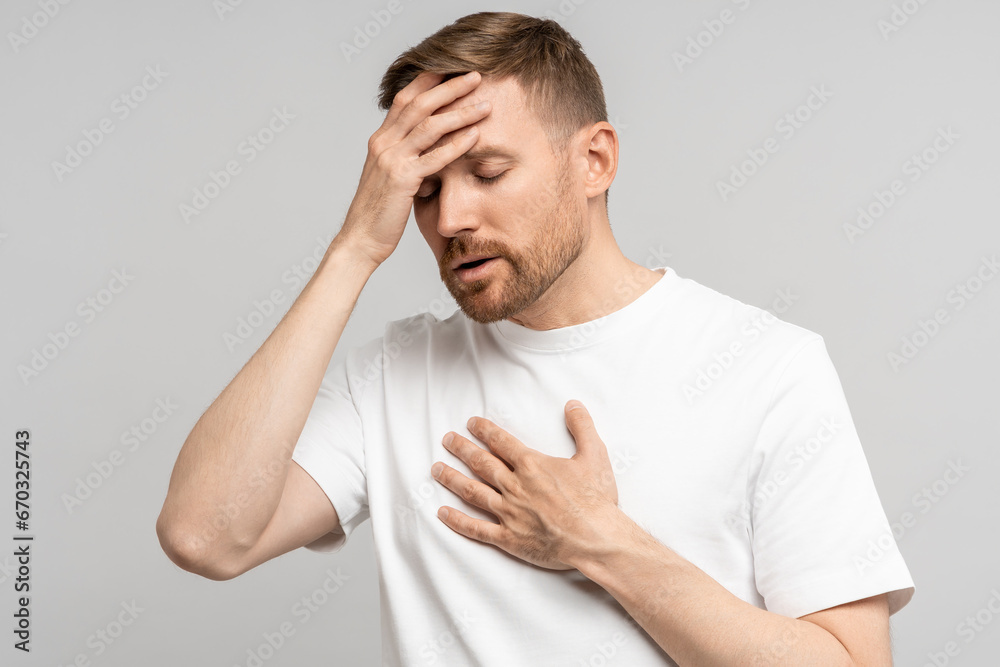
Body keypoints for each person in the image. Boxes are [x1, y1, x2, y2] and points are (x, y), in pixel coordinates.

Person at [156, 11, 914, 666]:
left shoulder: (767, 367)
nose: (450, 217)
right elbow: (204, 535)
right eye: (424, 188)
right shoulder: (393, 374)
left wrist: (600, 541)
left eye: (487, 171)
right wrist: (356, 245)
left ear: (595, 161)